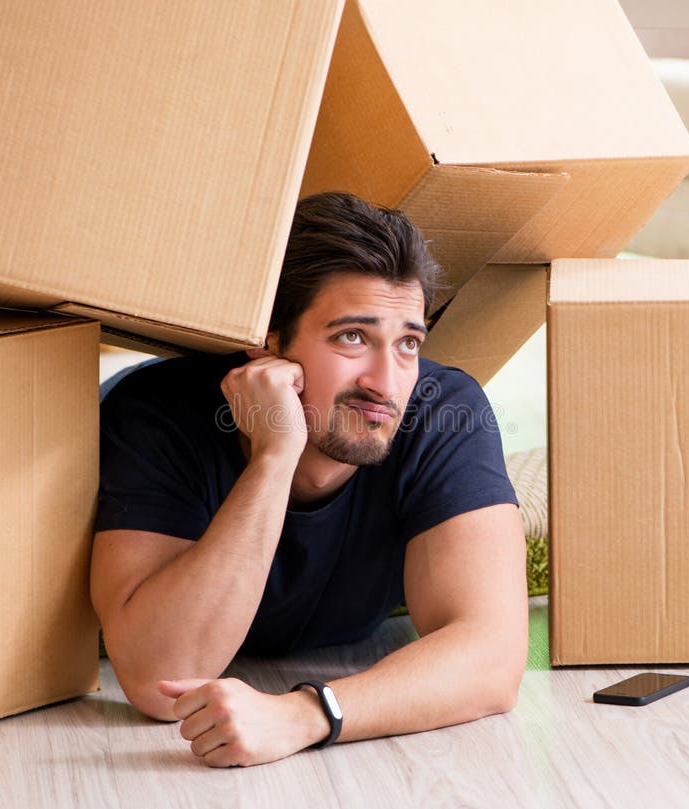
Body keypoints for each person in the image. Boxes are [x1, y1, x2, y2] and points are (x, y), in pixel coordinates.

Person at [90, 191, 528, 767]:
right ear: (270, 343)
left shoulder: (444, 411)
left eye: (408, 344)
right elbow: (159, 679)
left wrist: (306, 714)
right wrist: (275, 454)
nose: (385, 383)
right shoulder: (157, 413)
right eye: (351, 337)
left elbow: (492, 657)